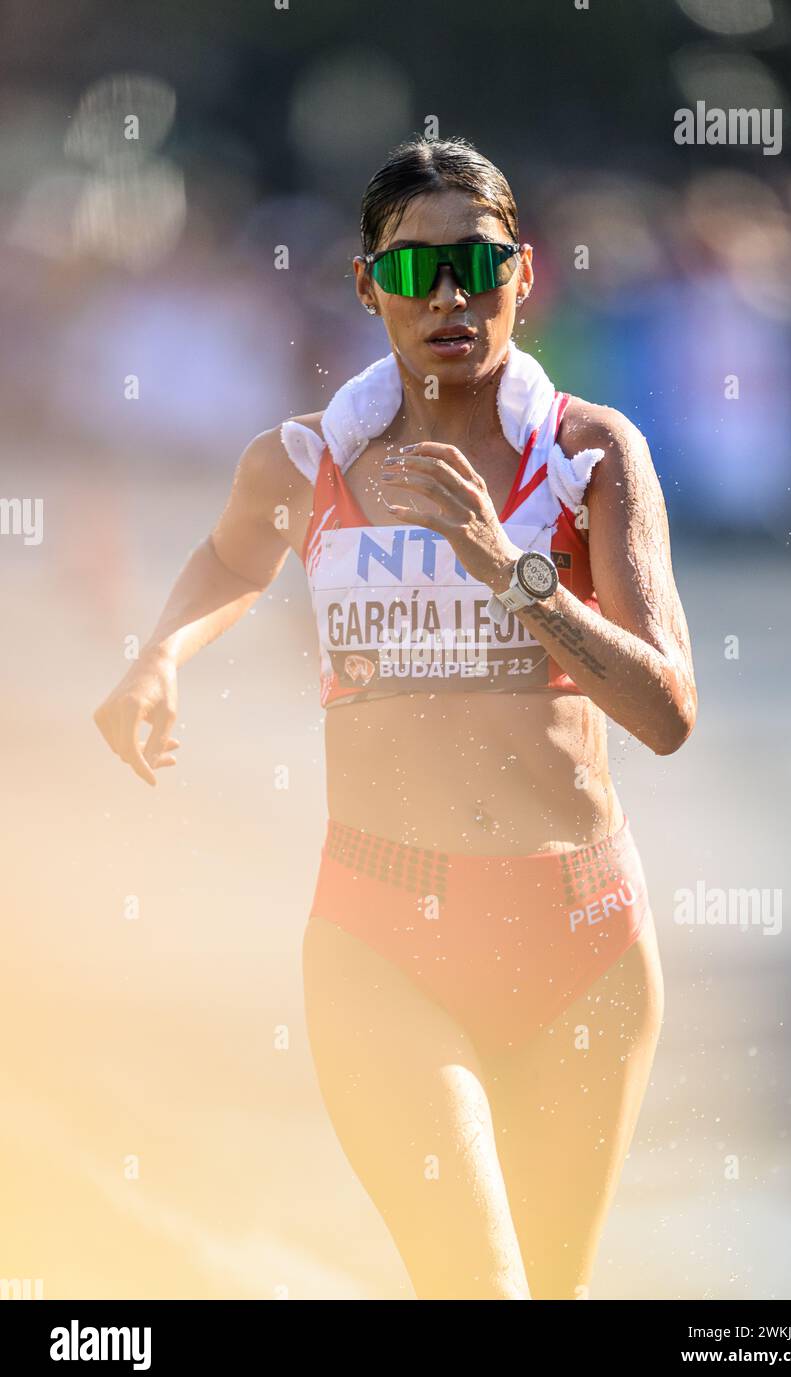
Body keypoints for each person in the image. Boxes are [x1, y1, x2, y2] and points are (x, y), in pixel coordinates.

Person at [93, 135, 697, 1300]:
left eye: (476, 265)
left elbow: (666, 712)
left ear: (522, 274)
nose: (449, 297)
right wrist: (157, 659)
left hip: (583, 940)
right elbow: (228, 561)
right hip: (383, 941)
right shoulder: (304, 461)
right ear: (368, 287)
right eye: (413, 272)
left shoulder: (587, 455)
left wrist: (505, 567)